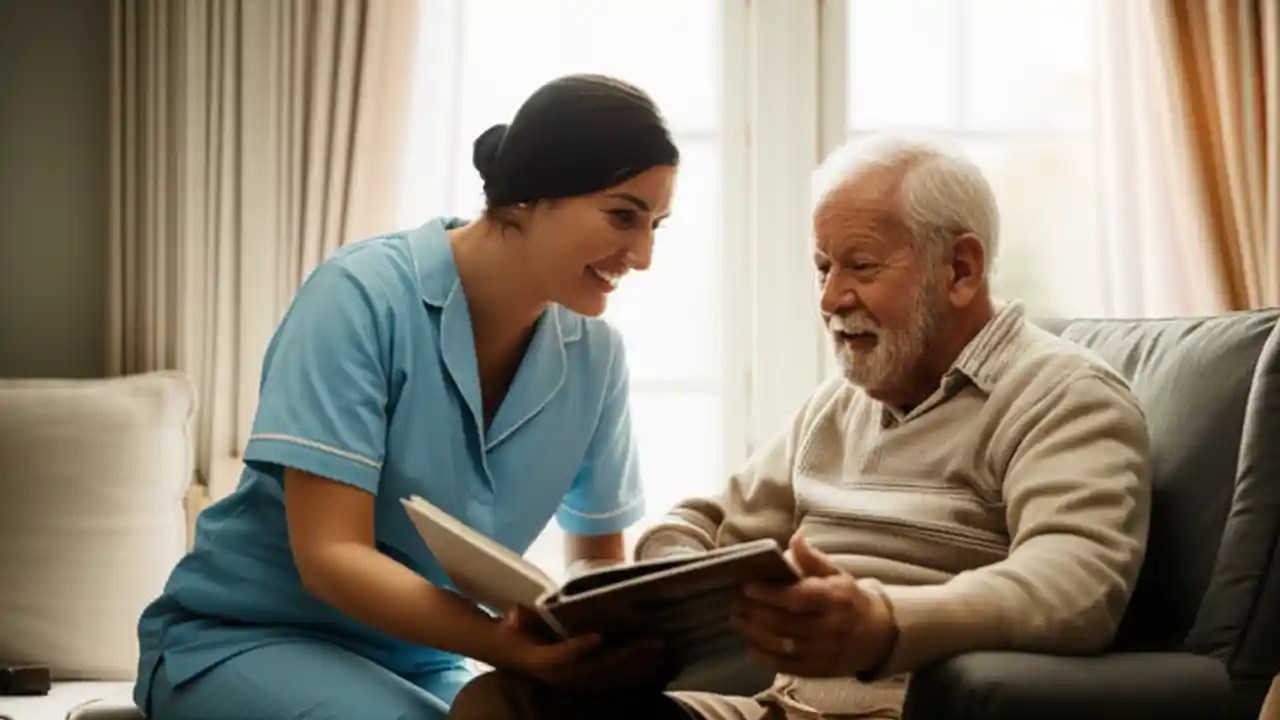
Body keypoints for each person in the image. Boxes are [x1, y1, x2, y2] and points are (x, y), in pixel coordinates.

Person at [448, 134, 1154, 719]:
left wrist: (883, 622)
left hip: (904, 710)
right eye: (822, 267)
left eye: (860, 267)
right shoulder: (838, 406)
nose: (830, 297)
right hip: (774, 710)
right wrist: (646, 603)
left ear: (961, 269)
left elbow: (1075, 585)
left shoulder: (1065, 396)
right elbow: (704, 523)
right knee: (506, 703)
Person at [132, 74, 684, 719]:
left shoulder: (596, 355)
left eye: (657, 225)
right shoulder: (359, 296)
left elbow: (596, 562)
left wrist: (598, 641)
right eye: (623, 215)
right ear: (531, 194)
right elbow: (332, 555)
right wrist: (511, 650)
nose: (642, 255)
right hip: (247, 638)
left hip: (424, 657)